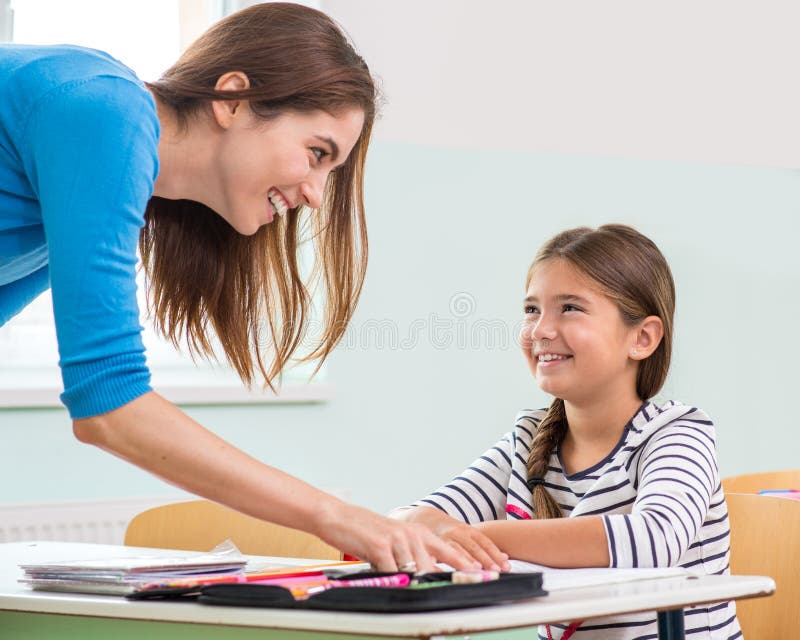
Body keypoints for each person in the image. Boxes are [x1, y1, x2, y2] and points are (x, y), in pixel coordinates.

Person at [0, 3, 478, 572]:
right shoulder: (105, 113)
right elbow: (108, 404)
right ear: (231, 99)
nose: (316, 194)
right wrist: (334, 515)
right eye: (317, 154)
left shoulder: (98, 177)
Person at [392, 225, 741, 639]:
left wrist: (480, 537)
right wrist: (433, 527)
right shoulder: (527, 441)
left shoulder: (676, 433)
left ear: (642, 338)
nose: (540, 330)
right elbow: (402, 526)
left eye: (570, 308)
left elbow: (656, 539)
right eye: (531, 309)